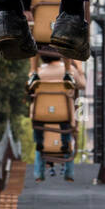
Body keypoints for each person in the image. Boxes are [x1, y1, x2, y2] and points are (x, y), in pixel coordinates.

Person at [28, 51, 81, 181]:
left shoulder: (38, 73)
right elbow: (82, 84)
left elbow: (28, 87)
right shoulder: (69, 72)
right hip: (64, 115)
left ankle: (39, 173)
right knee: (67, 140)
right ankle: (69, 172)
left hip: (41, 115)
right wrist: (79, 69)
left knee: (39, 142)